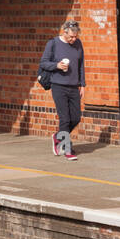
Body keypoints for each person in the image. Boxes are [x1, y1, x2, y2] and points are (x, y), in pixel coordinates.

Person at [40, 20, 86, 160]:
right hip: (58, 86)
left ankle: (58, 137)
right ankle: (67, 149)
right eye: (71, 37)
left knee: (76, 117)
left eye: (75, 36)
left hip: (73, 86)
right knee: (65, 119)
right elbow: (44, 63)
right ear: (64, 32)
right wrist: (57, 66)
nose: (73, 39)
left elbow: (81, 65)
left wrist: (82, 84)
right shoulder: (53, 43)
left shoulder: (78, 44)